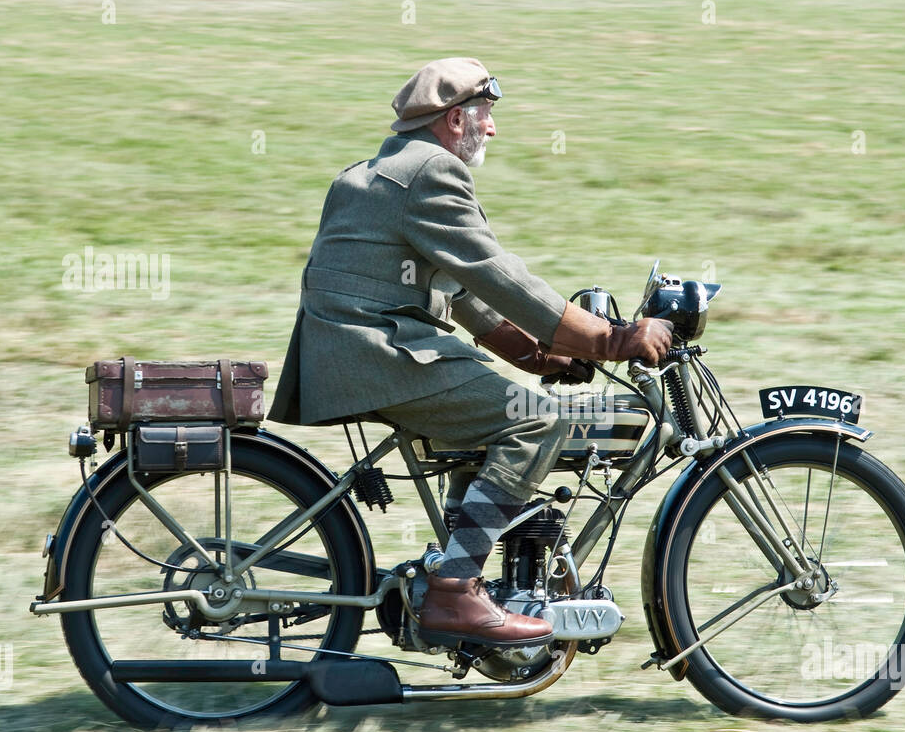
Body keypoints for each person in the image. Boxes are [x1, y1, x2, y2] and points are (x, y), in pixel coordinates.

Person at [268, 57, 672, 650]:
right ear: (455, 119)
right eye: (485, 115)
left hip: (350, 351)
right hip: (380, 354)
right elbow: (498, 276)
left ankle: (469, 572)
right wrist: (611, 338)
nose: (492, 128)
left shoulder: (377, 171)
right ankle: (456, 589)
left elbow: (458, 291)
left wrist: (537, 356)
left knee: (491, 419)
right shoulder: (431, 172)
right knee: (537, 419)